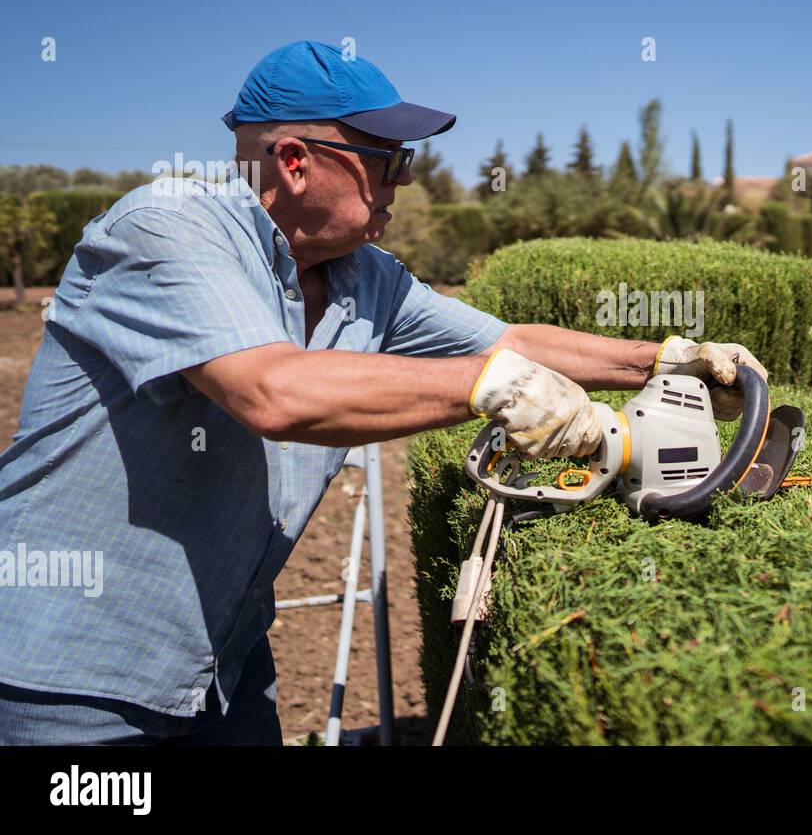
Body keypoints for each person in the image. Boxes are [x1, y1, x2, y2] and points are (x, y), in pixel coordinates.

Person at [0, 40, 767, 745]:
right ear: (294, 161)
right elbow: (276, 392)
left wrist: (668, 358)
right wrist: (492, 389)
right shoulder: (167, 231)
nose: (408, 179)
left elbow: (507, 342)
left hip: (223, 670)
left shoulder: (366, 277)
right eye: (391, 163)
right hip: (70, 682)